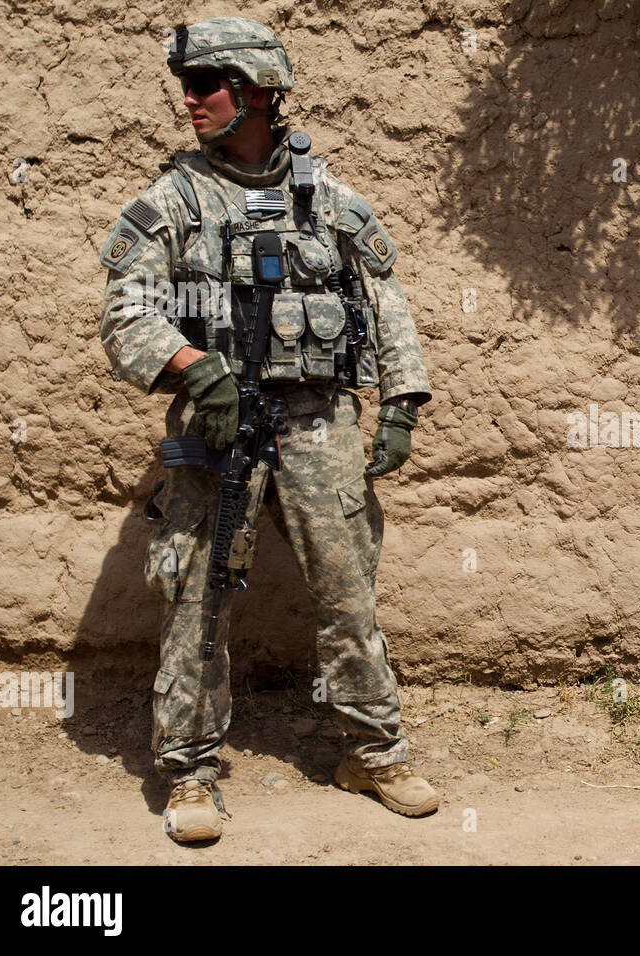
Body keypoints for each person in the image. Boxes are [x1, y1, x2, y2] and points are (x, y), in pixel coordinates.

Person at [97, 17, 438, 842]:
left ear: (253, 89)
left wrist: (401, 400)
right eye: (189, 84)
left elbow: (384, 298)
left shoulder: (326, 196)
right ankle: (190, 773)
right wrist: (190, 366)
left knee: (349, 590)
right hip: (221, 426)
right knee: (198, 597)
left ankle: (375, 752)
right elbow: (124, 313)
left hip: (321, 422)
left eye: (206, 84)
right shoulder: (173, 200)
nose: (190, 99)